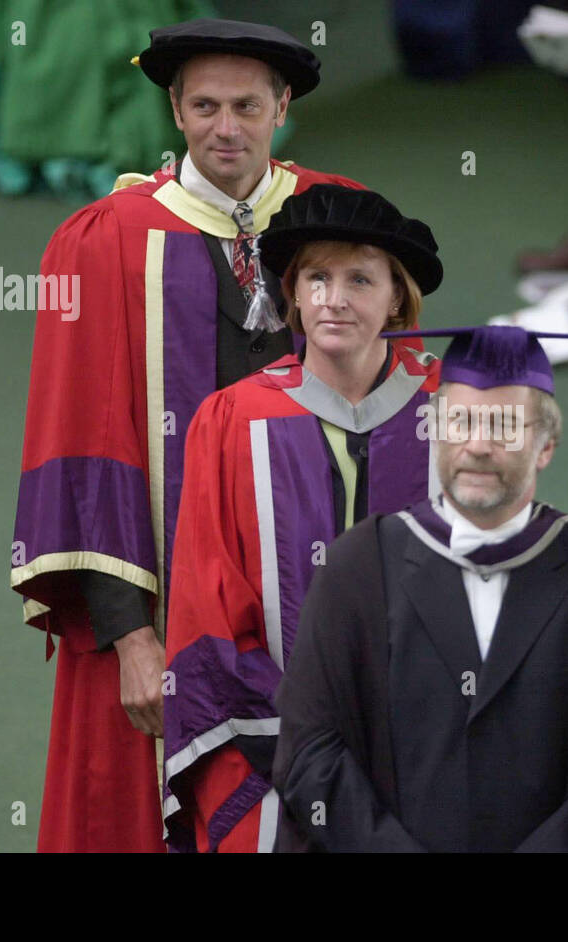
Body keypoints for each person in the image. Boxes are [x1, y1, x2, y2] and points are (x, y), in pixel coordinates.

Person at [10, 17, 362, 852]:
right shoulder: (104, 242)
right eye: (204, 106)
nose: (225, 128)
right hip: (162, 599)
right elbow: (81, 449)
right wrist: (131, 636)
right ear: (174, 109)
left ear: (282, 107)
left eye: (247, 105)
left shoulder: (340, 222)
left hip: (312, 591)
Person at [272, 325, 568, 852]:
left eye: (505, 426)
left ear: (546, 445)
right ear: (435, 430)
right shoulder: (359, 568)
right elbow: (309, 753)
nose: (478, 445)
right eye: (460, 421)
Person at [161, 185, 443, 852]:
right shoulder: (234, 420)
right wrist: (308, 732)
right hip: (267, 749)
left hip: (424, 744)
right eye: (315, 277)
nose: (333, 299)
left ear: (397, 298)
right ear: (291, 293)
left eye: (360, 279)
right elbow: (206, 604)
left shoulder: (450, 414)